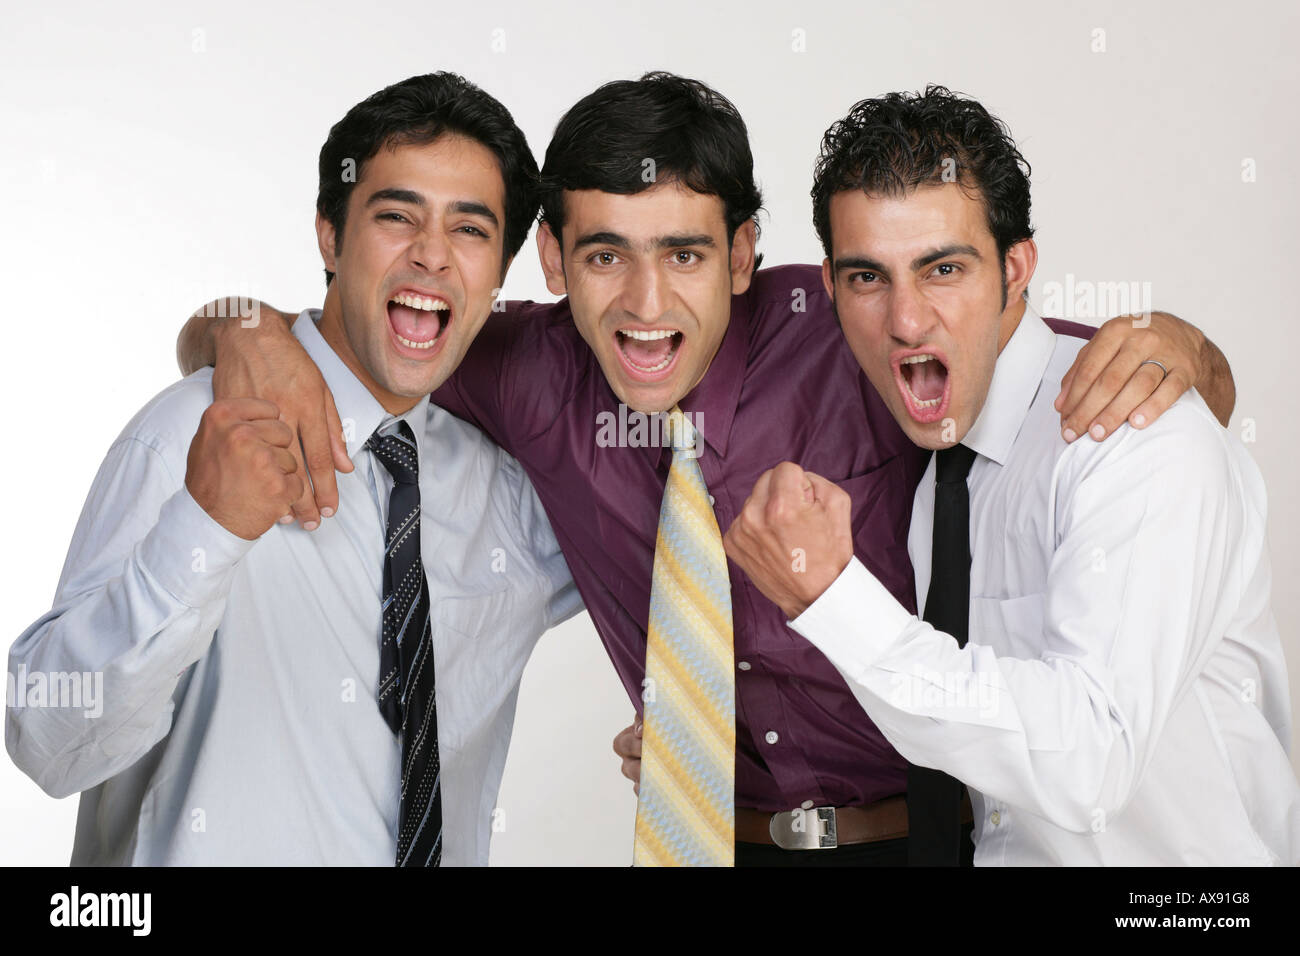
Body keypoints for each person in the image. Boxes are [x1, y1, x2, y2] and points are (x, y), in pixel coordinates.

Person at [179, 73, 1236, 866]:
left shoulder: (857, 320)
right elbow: (356, 331)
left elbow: (1090, 377)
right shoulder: (525, 366)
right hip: (709, 841)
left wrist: (1188, 347)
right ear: (552, 260)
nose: (645, 301)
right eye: (604, 254)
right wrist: (244, 329)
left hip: (924, 839)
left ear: (742, 254)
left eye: (683, 253)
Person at [6, 73, 577, 866]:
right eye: (396, 216)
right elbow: (46, 739)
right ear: (330, 237)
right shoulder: (186, 436)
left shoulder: (517, 503)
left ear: (502, 270)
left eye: (471, 230)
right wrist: (203, 529)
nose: (433, 255)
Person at [723, 86, 1299, 864]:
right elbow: (982, 722)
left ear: (1016, 268)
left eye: (944, 269)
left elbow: (1090, 763)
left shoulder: (1133, 435)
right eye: (868, 278)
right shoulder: (940, 478)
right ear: (829, 287)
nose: (905, 318)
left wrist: (831, 598)